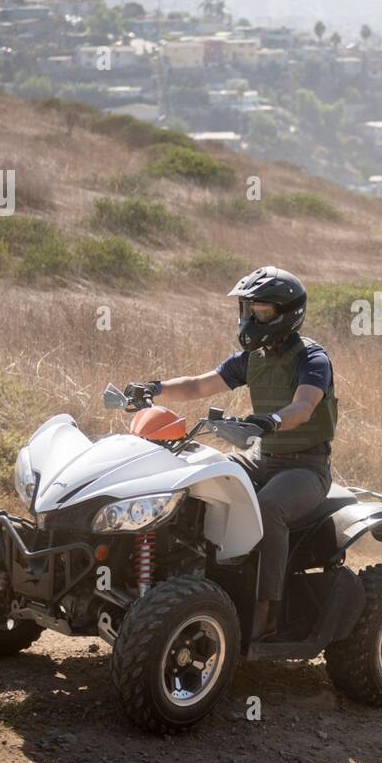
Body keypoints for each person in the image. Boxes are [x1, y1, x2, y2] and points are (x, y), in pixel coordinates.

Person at [123, 266, 336, 641]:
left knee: (269, 509)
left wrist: (270, 420)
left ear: (287, 313)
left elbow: (304, 406)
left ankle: (265, 613)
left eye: (262, 310)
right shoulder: (253, 358)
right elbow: (197, 385)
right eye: (249, 308)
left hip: (306, 469)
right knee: (200, 476)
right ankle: (182, 580)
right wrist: (152, 389)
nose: (251, 317)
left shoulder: (312, 358)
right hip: (262, 460)